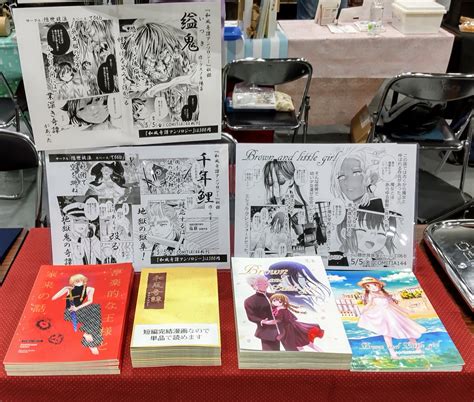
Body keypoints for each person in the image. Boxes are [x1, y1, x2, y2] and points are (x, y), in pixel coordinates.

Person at [357, 276, 426, 359]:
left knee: (406, 328)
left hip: (392, 314)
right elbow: (369, 305)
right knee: (387, 333)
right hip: (382, 315)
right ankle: (392, 353)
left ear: (379, 285)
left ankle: (417, 348)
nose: (373, 287)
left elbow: (393, 304)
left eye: (374, 285)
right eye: (369, 286)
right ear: (366, 288)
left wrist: (406, 311)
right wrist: (363, 311)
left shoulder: (384, 294)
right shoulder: (371, 295)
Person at [262, 160, 319, 252]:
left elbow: (310, 244)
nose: (275, 186)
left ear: (291, 180)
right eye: (270, 182)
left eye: (281, 181)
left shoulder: (300, 208)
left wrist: (299, 229)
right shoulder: (266, 207)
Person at [52, 273, 103, 355]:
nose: (78, 282)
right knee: (92, 314)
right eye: (75, 281)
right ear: (72, 282)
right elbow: (53, 298)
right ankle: (89, 337)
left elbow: (90, 301)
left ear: (84, 280)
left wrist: (77, 308)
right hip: (70, 312)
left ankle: (90, 340)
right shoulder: (69, 289)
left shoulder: (90, 289)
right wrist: (65, 289)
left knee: (95, 309)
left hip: (79, 310)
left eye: (79, 280)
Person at [265, 259, 331, 310]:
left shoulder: (300, 297)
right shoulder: (293, 301)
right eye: (300, 277)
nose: (305, 281)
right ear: (285, 278)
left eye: (304, 277)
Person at [244, 275, 280, 351]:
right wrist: (264, 321)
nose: (264, 285)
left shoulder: (275, 296)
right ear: (253, 286)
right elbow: (251, 316)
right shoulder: (249, 301)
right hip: (267, 332)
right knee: (270, 354)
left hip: (283, 330)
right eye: (259, 284)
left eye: (265, 283)